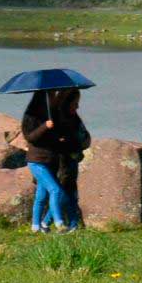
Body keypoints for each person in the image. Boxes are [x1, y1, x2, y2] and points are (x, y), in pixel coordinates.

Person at [21, 90, 74, 232]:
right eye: (50, 95)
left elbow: (51, 138)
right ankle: (58, 222)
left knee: (41, 195)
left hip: (50, 161)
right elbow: (30, 137)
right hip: (36, 161)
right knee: (56, 190)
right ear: (42, 98)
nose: (53, 98)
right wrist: (45, 126)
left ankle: (36, 226)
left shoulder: (52, 114)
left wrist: (59, 138)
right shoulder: (31, 116)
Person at [53, 87, 92, 229]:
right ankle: (51, 222)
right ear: (66, 102)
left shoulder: (74, 119)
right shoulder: (55, 119)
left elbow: (86, 138)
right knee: (60, 193)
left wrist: (71, 142)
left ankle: (73, 223)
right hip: (58, 162)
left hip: (71, 161)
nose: (77, 106)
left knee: (70, 193)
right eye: (75, 103)